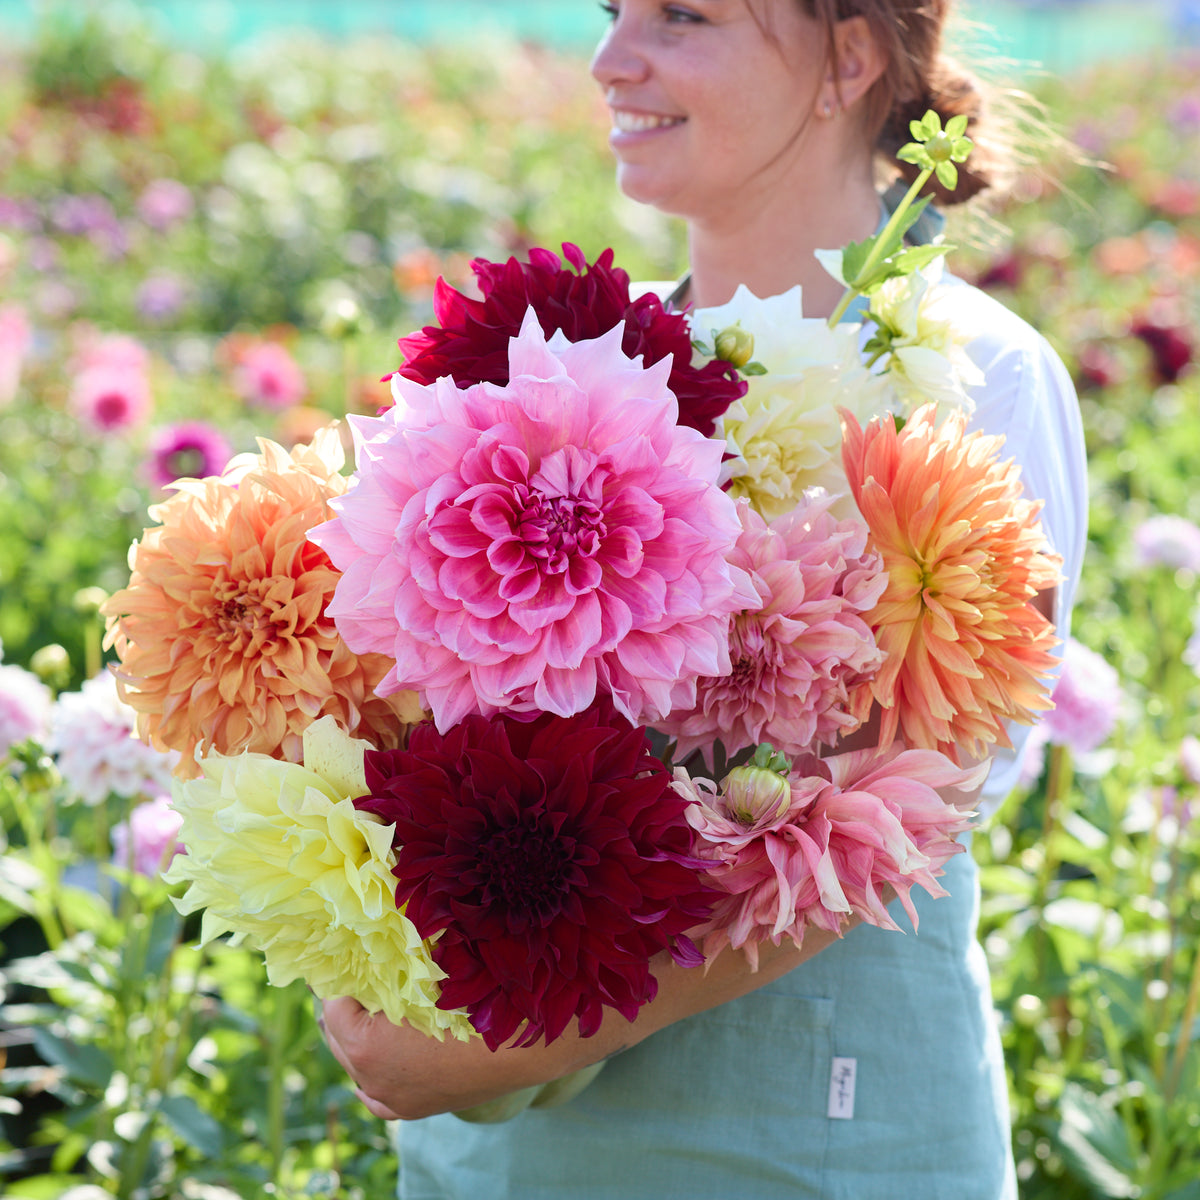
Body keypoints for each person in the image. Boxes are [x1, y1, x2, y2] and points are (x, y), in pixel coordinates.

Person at [321, 1, 1088, 1196]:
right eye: (612, 12)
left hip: (803, 1144)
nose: (609, 61)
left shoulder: (974, 378)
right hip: (492, 1155)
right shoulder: (559, 366)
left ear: (849, 56)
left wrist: (503, 1044)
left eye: (682, 16)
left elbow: (897, 811)